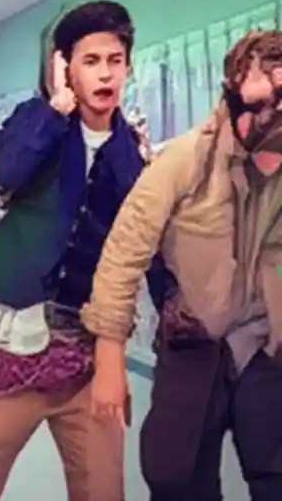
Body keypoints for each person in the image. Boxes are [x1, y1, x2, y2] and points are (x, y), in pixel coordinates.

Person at [0, 1, 143, 501]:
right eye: (91, 60)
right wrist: (55, 108)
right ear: (64, 67)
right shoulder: (37, 125)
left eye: (115, 60)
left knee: (103, 491)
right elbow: (3, 173)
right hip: (10, 348)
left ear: (128, 66)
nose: (105, 74)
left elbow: (141, 247)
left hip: (84, 359)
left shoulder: (130, 152)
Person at [84, 29, 282, 501]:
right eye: (256, 104)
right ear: (231, 97)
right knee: (176, 476)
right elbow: (122, 255)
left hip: (264, 343)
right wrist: (110, 361)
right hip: (193, 341)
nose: (270, 119)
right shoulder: (184, 160)